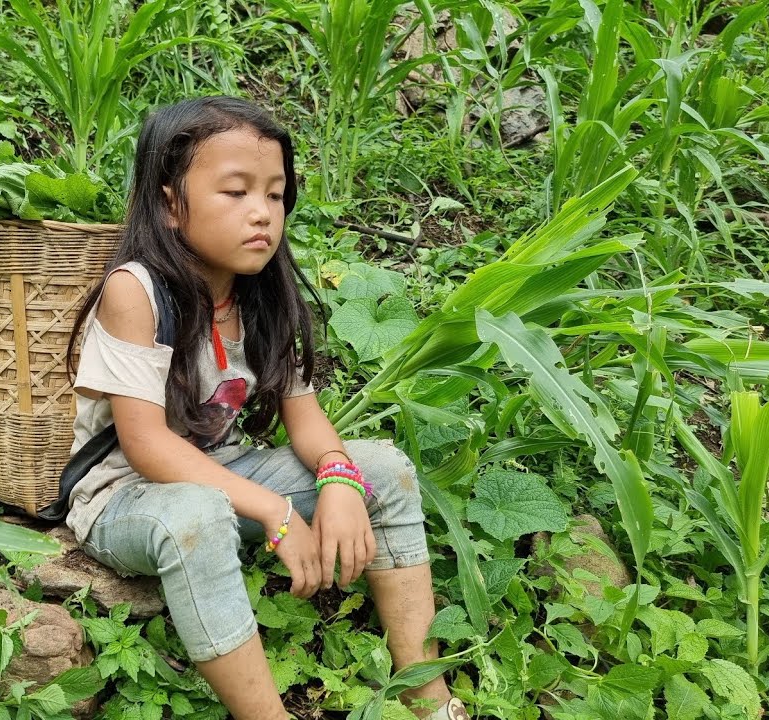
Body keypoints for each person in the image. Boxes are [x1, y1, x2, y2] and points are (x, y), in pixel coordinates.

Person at [62, 96, 467, 720]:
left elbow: (304, 417)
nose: (262, 213)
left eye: (275, 195)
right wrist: (275, 510)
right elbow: (145, 444)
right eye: (236, 191)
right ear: (171, 204)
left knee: (380, 468)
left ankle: (426, 694)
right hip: (124, 496)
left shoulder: (262, 295)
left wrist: (336, 478)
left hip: (225, 471)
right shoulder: (136, 291)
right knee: (193, 514)